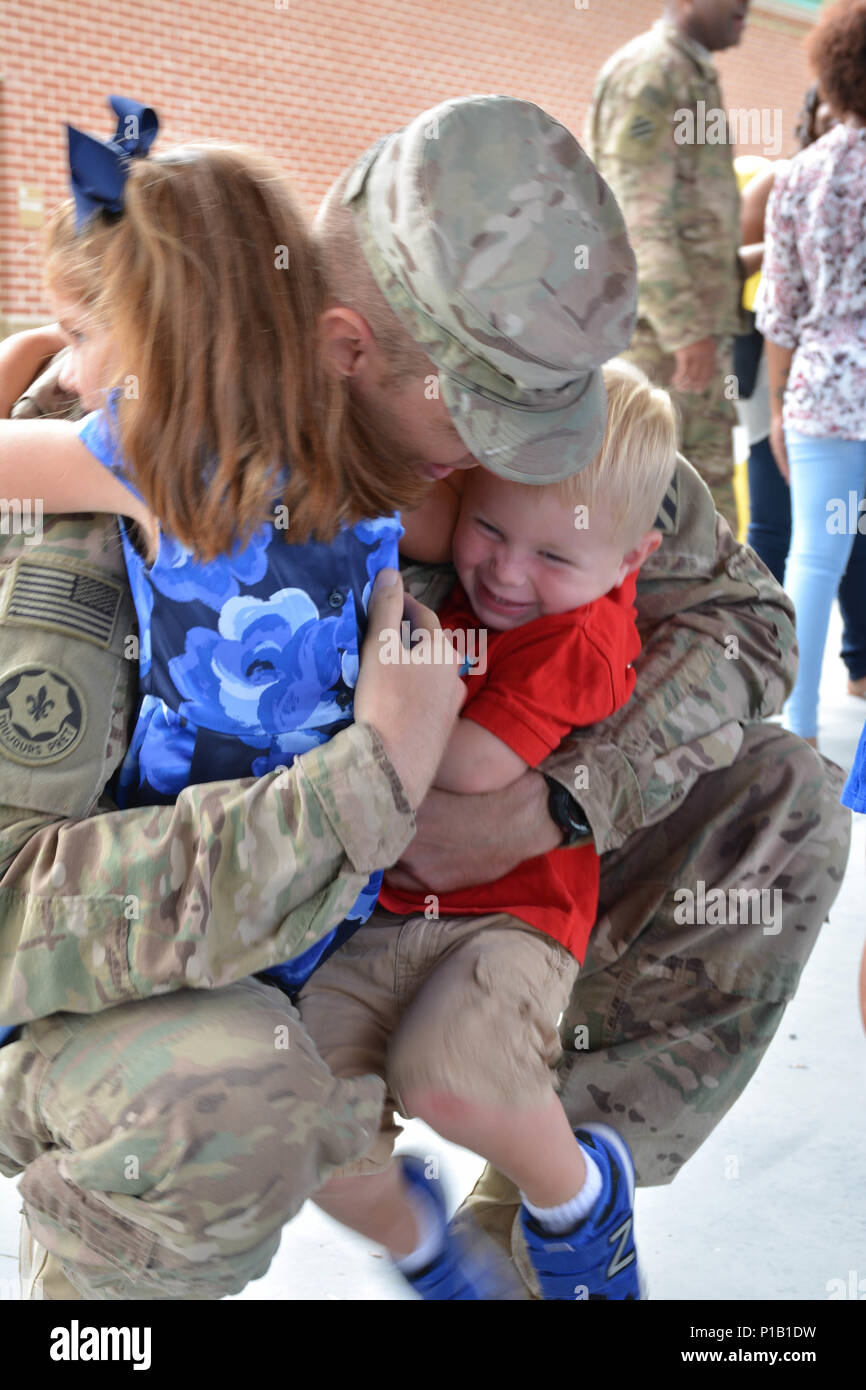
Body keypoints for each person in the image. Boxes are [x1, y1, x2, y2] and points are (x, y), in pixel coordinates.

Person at [0, 93, 849, 1302]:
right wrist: (363, 796)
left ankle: (539, 1215)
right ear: (345, 345)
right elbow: (17, 901)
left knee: (783, 802)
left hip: (443, 901)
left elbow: (744, 621)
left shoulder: (531, 398)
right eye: (488, 419)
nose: (528, 460)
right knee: (220, 1097)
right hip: (172, 962)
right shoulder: (119, 466)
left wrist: (557, 798)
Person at [296, 360, 677, 1300]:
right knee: (302, 1116)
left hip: (508, 922)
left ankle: (580, 1208)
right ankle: (427, 1250)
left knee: (449, 1075)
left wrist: (396, 678)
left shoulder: (580, 634)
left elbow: (470, 766)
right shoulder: (505, 549)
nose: (506, 572)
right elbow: (415, 509)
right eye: (490, 530)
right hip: (384, 919)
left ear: (629, 562)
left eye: (553, 556)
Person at [586, 0, 749, 532]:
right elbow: (637, 214)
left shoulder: (688, 71)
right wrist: (687, 331)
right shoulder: (654, 71)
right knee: (655, 516)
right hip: (660, 349)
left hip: (686, 349)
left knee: (698, 522)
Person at [757, 0, 866, 746]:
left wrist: (773, 407)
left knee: (812, 559)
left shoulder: (799, 177)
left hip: (822, 396)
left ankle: (795, 735)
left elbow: (781, 310)